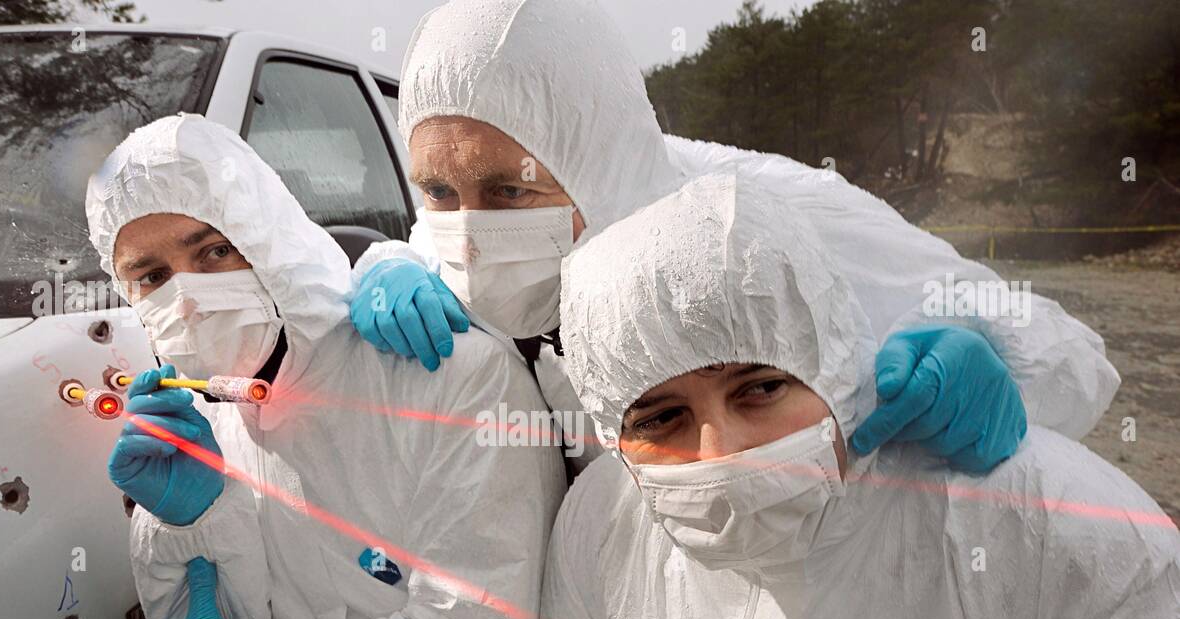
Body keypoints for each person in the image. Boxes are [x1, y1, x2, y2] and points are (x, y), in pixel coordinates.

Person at [310, 170, 1180, 619]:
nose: (718, 451)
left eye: (759, 388)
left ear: (832, 361)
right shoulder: (608, 526)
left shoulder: (1049, 534)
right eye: (660, 419)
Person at [345, 0, 1118, 474]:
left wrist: (1003, 369)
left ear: (594, 154)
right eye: (441, 193)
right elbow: (437, 235)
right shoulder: (467, 227)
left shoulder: (755, 218)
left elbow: (1074, 359)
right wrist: (389, 261)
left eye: (511, 192)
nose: (470, 236)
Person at [84, 113, 565, 619]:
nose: (187, 297)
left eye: (214, 250)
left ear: (268, 237)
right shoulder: (212, 413)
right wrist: (188, 524)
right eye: (151, 275)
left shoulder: (444, 375)